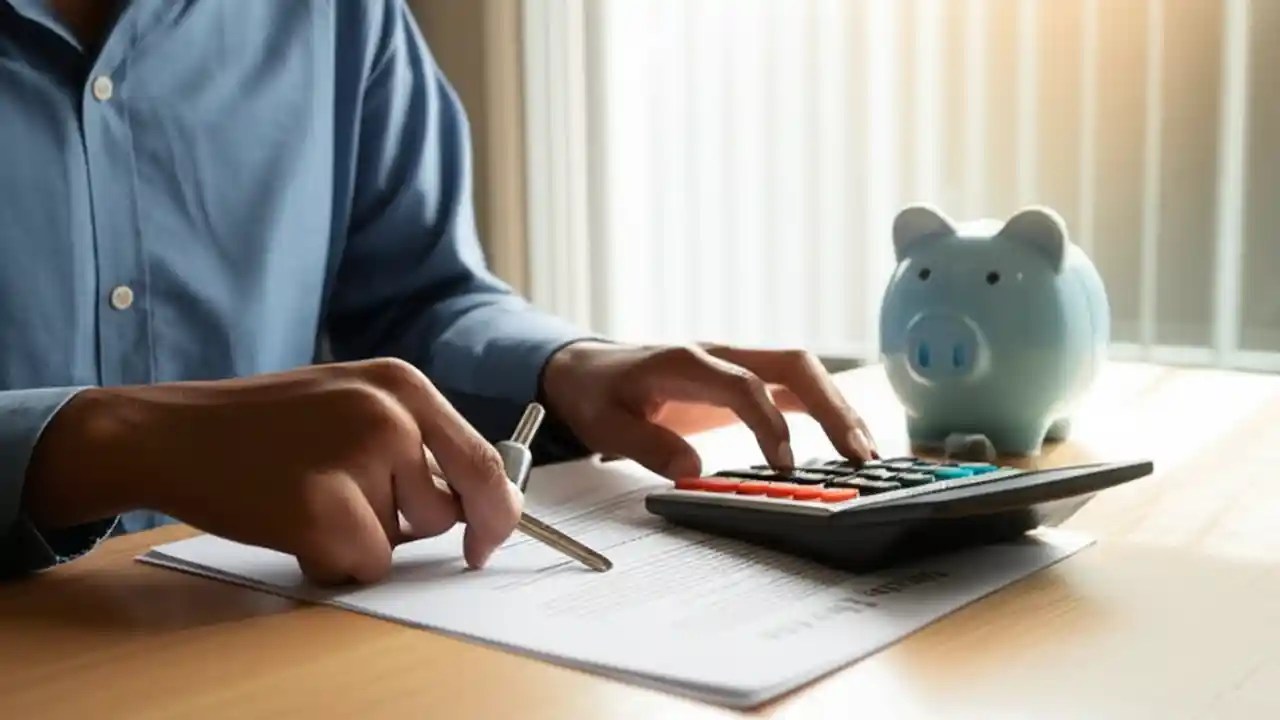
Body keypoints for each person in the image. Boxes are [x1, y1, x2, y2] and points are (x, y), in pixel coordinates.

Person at [0, 0, 876, 584]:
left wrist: (561, 367)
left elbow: (419, 293)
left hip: (270, 635)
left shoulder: (341, 15)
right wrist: (112, 443)